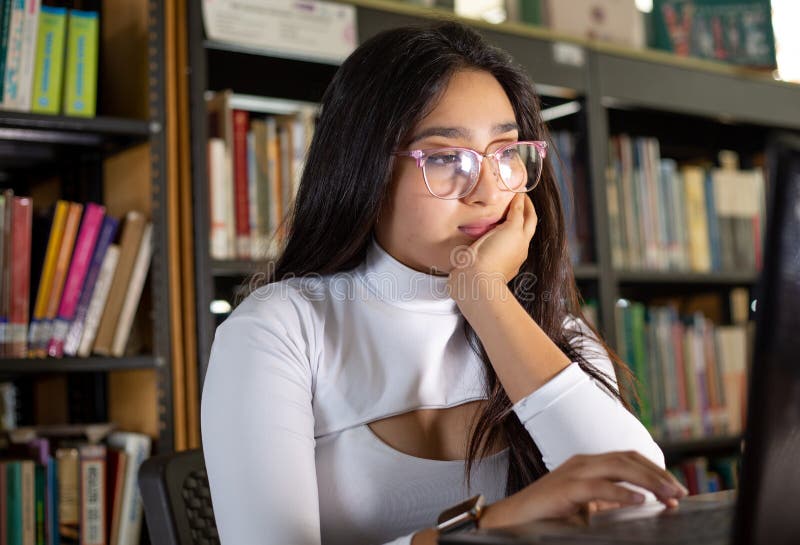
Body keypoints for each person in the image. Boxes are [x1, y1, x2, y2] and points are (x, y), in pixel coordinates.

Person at [200, 20, 687, 545]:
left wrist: (485, 295)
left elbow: (640, 499)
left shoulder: (547, 326)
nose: (486, 190)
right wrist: (489, 528)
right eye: (444, 157)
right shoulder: (278, 330)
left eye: (505, 153)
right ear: (365, 171)